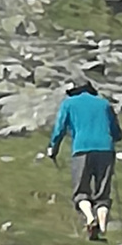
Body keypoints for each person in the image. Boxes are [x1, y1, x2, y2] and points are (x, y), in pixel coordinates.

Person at [49, 79, 122, 240]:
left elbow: (60, 128)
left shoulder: (69, 104)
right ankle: (102, 228)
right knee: (103, 193)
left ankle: (90, 218)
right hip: (105, 149)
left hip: (82, 149)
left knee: (81, 191)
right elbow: (117, 132)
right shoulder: (104, 104)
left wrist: (53, 148)